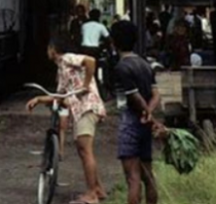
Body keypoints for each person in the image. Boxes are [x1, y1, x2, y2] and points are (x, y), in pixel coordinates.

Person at [27, 39, 107, 204]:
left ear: (53, 49)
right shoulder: (61, 69)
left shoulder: (67, 58)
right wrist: (39, 99)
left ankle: (91, 195)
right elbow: (59, 96)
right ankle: (98, 189)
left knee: (85, 149)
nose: (47, 52)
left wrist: (85, 85)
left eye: (48, 48)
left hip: (87, 106)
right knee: (82, 149)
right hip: (80, 110)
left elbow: (91, 61)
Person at [112, 21, 162, 204]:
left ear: (113, 42)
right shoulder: (145, 64)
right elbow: (156, 93)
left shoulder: (121, 67)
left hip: (130, 122)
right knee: (148, 176)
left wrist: (145, 111)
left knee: (132, 179)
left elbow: (134, 96)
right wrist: (150, 113)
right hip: (144, 125)